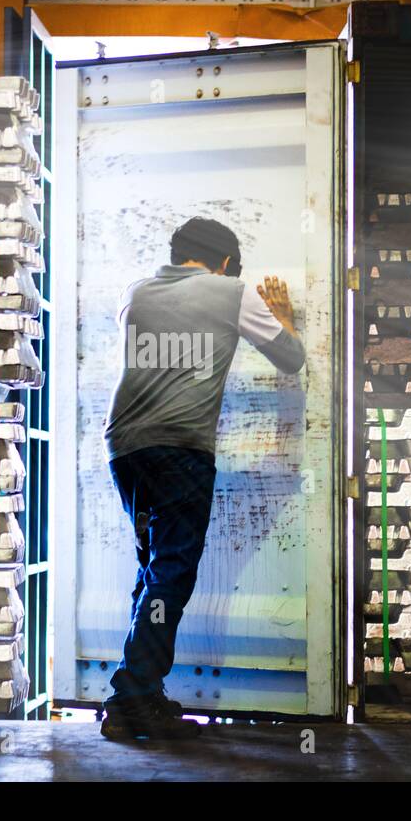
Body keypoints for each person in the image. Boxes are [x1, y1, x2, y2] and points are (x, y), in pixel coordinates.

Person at [100, 217, 305, 740]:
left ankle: (141, 694)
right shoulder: (231, 292)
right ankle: (130, 699)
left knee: (154, 568)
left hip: (124, 446)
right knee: (171, 572)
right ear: (229, 262)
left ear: (176, 253)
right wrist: (283, 317)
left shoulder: (135, 292)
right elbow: (290, 357)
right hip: (179, 446)